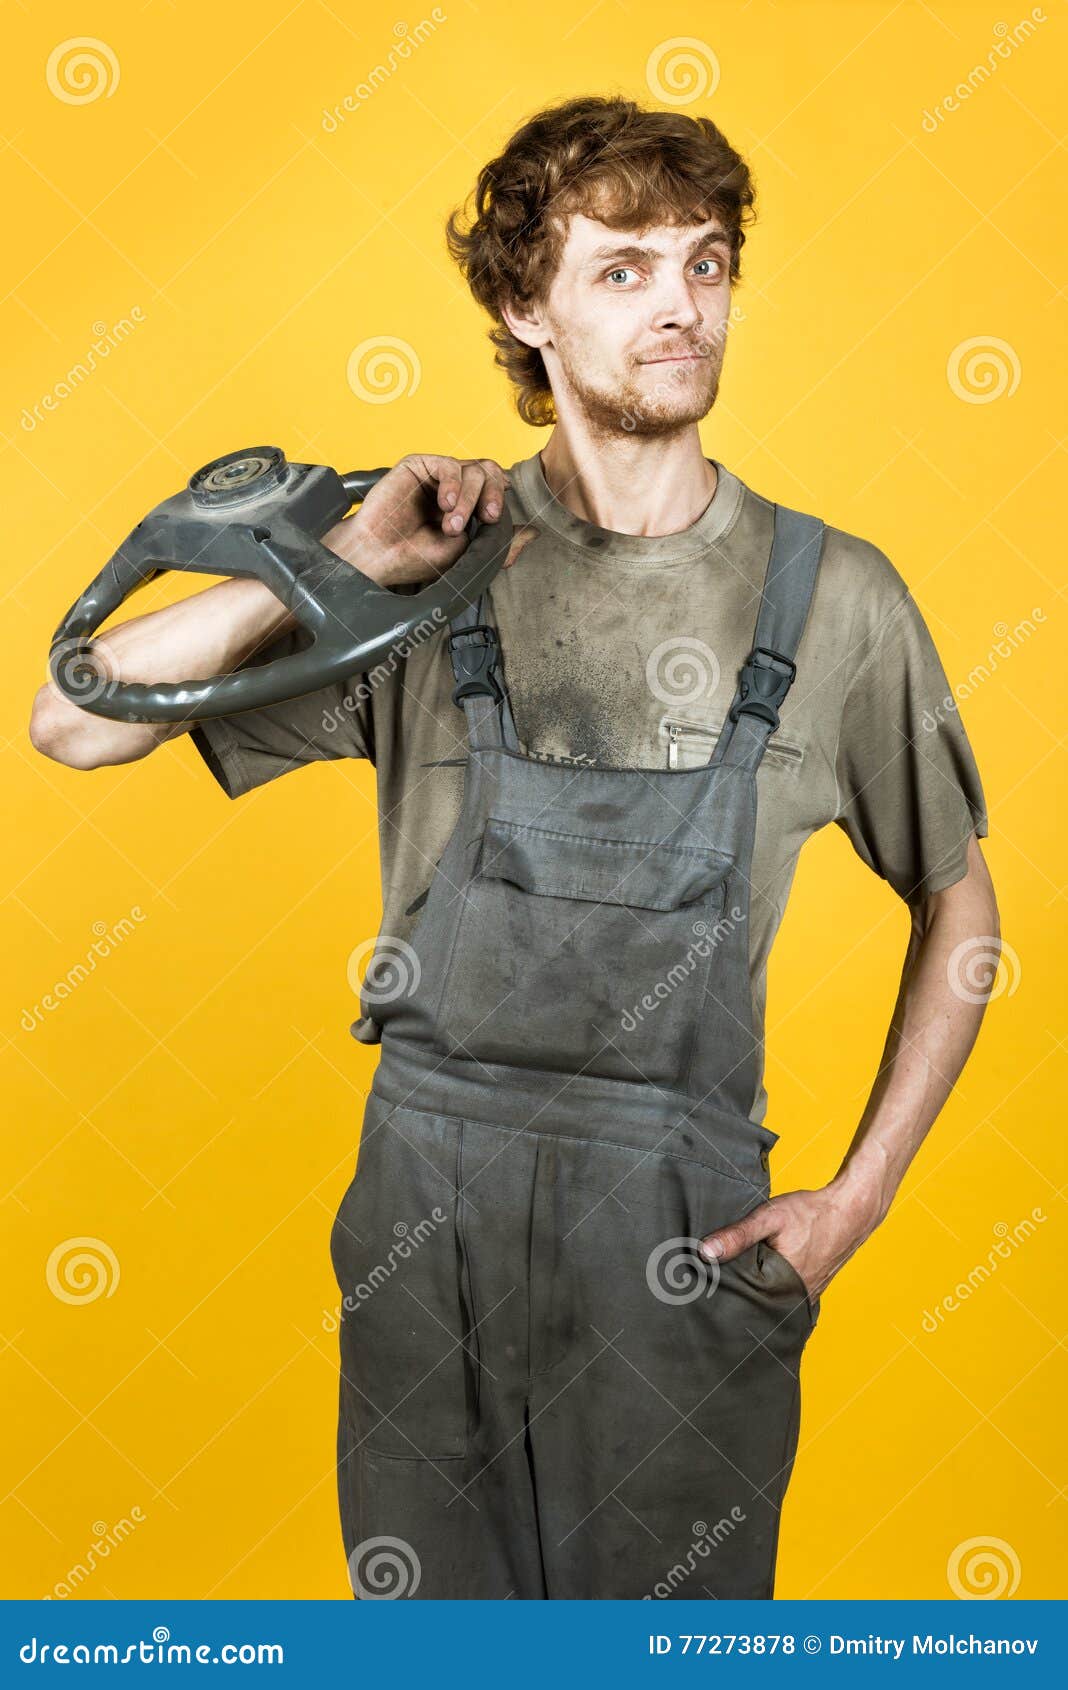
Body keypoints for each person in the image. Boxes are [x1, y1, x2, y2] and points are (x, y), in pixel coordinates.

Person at [29, 95, 998, 1601]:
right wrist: (347, 559)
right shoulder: (433, 566)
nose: (682, 306)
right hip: (429, 1223)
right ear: (523, 309)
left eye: (707, 263)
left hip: (677, 1245)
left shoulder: (836, 600)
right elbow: (76, 722)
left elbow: (961, 906)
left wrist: (852, 1204)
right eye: (624, 269)